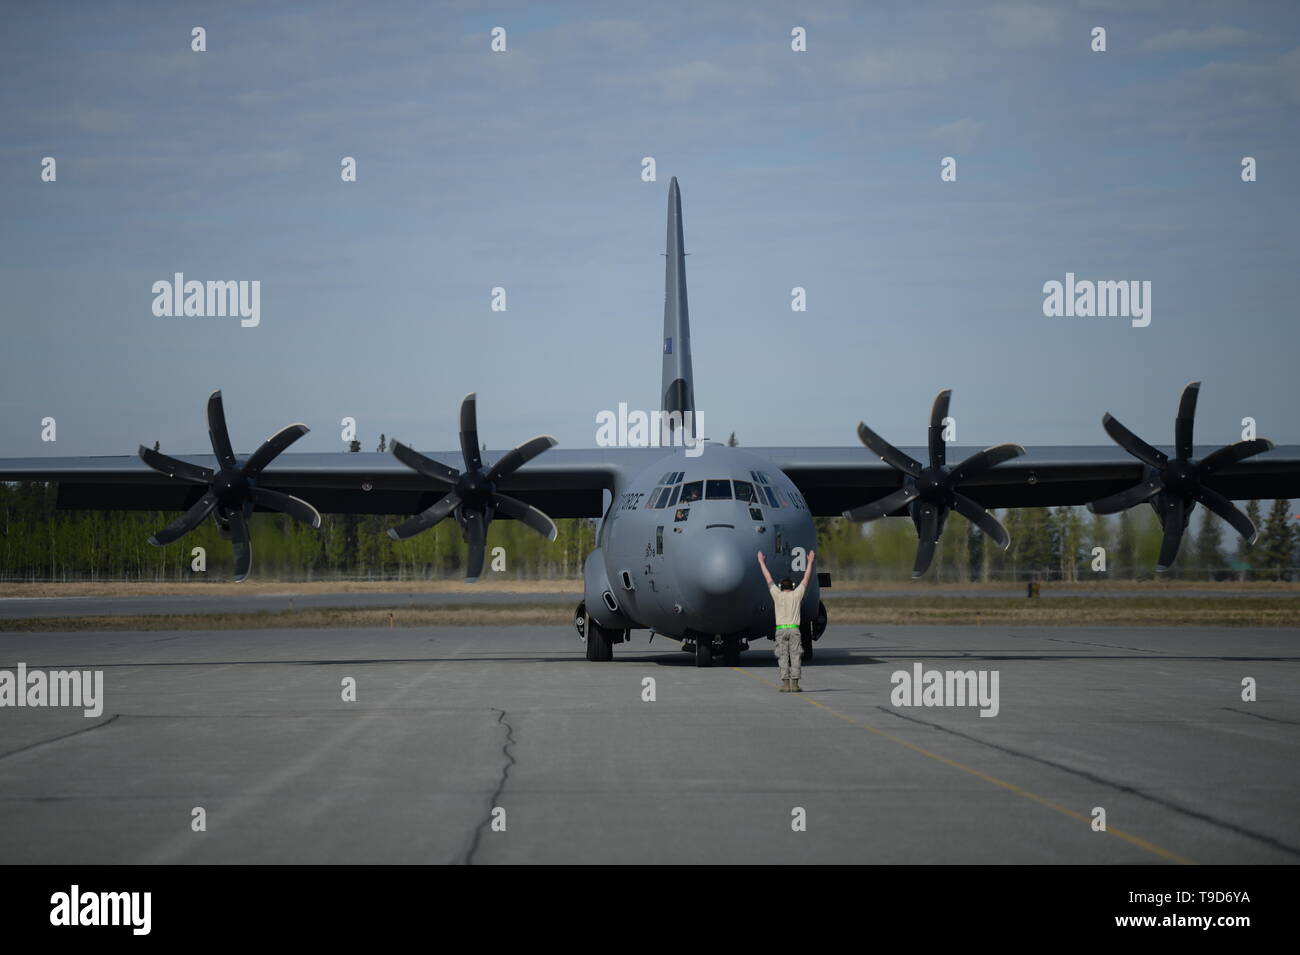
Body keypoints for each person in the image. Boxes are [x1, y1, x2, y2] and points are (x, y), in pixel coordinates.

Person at [757, 549, 814, 693]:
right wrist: (810, 561)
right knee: (795, 656)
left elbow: (768, 578)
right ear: (792, 587)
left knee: (782, 657)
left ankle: (785, 684)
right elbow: (806, 579)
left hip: (781, 630)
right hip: (794, 629)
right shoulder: (797, 595)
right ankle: (795, 684)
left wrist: (761, 562)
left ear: (781, 587)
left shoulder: (777, 594)